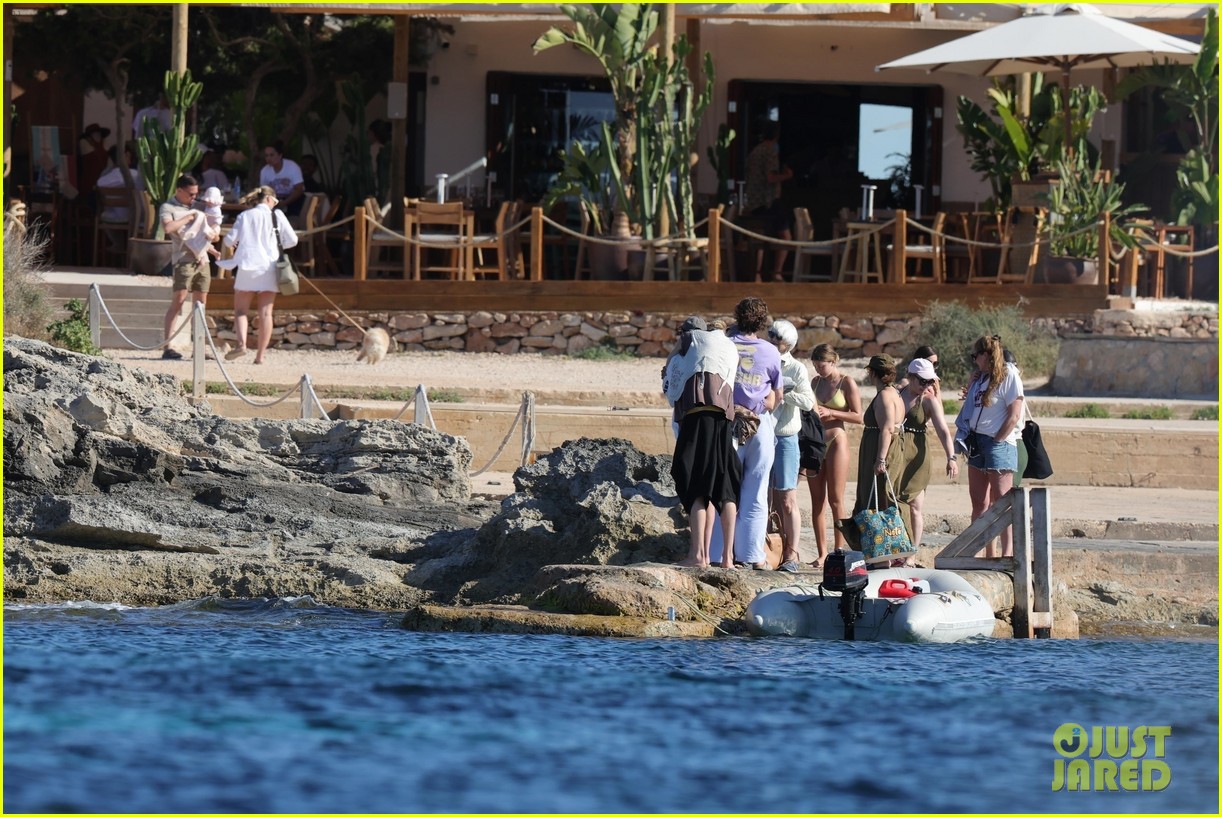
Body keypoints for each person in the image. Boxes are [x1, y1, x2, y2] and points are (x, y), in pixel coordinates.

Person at [710, 297, 784, 570]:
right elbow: (776, 398)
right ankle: (751, 554)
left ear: (737, 317)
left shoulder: (724, 346)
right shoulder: (770, 351)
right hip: (759, 422)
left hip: (728, 421)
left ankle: (718, 553)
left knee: (723, 490)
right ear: (763, 323)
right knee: (756, 491)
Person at [663, 315, 742, 568]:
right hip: (724, 420)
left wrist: (677, 346)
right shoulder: (728, 346)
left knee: (696, 485)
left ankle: (698, 556)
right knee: (725, 486)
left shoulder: (691, 341)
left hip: (697, 417)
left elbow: (669, 380)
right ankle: (727, 559)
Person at [955, 335, 1024, 558]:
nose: (974, 361)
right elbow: (970, 408)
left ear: (986, 355)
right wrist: (971, 382)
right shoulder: (980, 378)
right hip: (977, 442)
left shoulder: (1009, 375)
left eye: (975, 356)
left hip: (998, 443)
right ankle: (985, 553)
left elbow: (1014, 414)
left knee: (1001, 502)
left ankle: (1007, 555)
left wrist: (997, 440)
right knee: (979, 502)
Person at [218, 186, 299, 365]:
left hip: (248, 266)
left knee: (240, 311)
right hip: (269, 266)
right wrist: (275, 246)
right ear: (270, 199)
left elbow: (229, 240)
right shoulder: (277, 215)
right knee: (266, 313)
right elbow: (293, 240)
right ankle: (260, 356)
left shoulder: (245, 216)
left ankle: (241, 344)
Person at [804, 343, 862, 566]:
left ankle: (839, 550)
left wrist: (831, 411)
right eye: (816, 366)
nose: (819, 370)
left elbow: (858, 416)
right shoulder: (815, 382)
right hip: (816, 442)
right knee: (816, 501)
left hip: (837, 439)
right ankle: (821, 553)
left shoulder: (847, 382)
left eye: (822, 366)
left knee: (835, 499)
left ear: (833, 361)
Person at [894, 358, 959, 552]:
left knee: (915, 505)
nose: (927, 385)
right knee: (895, 503)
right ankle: (896, 549)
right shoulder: (897, 395)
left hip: (917, 456)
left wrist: (951, 457)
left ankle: (911, 554)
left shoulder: (929, 400)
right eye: (923, 381)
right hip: (896, 453)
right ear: (910, 377)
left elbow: (943, 431)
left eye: (930, 381)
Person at [766, 319, 815, 573]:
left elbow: (808, 401)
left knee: (787, 498)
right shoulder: (762, 358)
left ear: (789, 345)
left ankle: (792, 555)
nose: (773, 343)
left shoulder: (796, 369)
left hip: (785, 437)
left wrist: (783, 393)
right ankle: (763, 550)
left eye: (779, 340)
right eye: (771, 337)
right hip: (761, 436)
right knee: (761, 497)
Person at [158, 175, 216, 361]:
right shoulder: (169, 208)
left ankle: (199, 347)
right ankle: (168, 346)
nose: (193, 198)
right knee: (179, 300)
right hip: (183, 259)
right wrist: (190, 217)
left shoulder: (198, 206)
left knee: (201, 304)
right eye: (190, 195)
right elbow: (168, 228)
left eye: (196, 195)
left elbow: (210, 234)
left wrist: (212, 236)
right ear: (179, 191)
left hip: (202, 259)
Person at [854, 354, 907, 536]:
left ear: (873, 373)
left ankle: (881, 550)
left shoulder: (885, 396)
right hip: (883, 448)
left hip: (880, 450)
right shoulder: (895, 393)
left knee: (878, 499)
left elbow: (887, 429)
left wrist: (880, 459)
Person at [744, 121, 794, 283]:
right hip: (769, 200)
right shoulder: (770, 151)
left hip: (754, 201)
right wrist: (787, 176)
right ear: (777, 135)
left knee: (759, 238)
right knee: (785, 236)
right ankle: (777, 273)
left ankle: (756, 274)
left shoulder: (755, 151)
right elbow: (771, 177)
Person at [258, 141, 305, 217]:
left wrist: (285, 202)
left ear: (280, 155)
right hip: (274, 201)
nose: (269, 158)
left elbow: (299, 189)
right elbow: (264, 191)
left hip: (293, 201)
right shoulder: (264, 171)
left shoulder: (292, 167)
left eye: (272, 155)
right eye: (266, 155)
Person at [77, 123, 111, 203]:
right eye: (95, 134)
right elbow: (92, 156)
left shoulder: (103, 146)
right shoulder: (84, 143)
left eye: (99, 134)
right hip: (90, 182)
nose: (98, 136)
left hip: (102, 181)